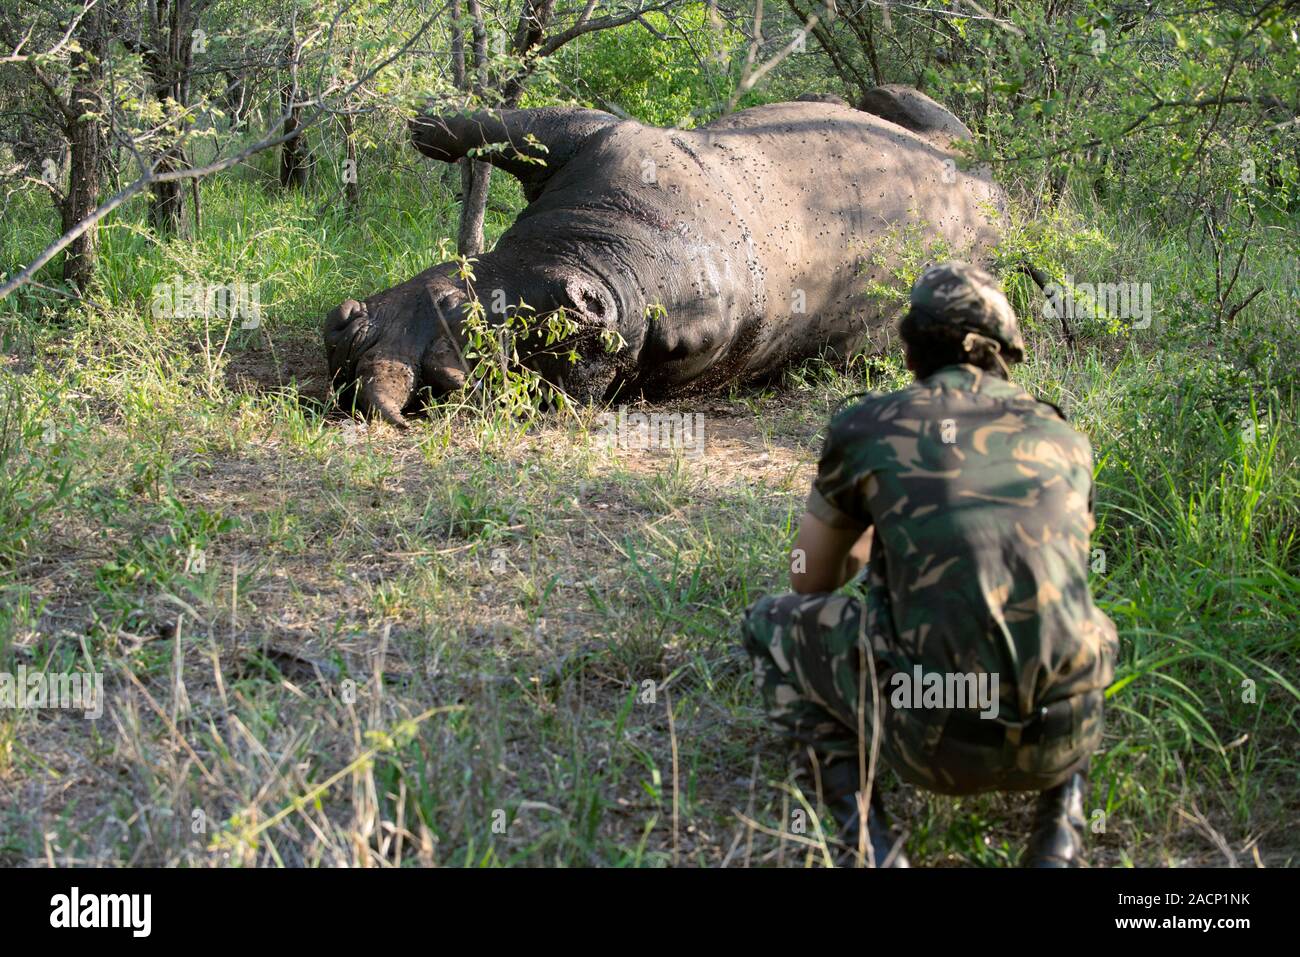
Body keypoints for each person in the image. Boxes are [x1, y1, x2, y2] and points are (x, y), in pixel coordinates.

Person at [741, 262, 1118, 867]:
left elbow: (810, 581)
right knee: (1082, 628)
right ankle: (1060, 829)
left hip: (934, 743)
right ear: (1002, 354)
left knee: (772, 622)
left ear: (910, 345)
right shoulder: (1062, 435)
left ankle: (867, 843)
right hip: (1065, 733)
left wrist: (873, 536)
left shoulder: (869, 425)